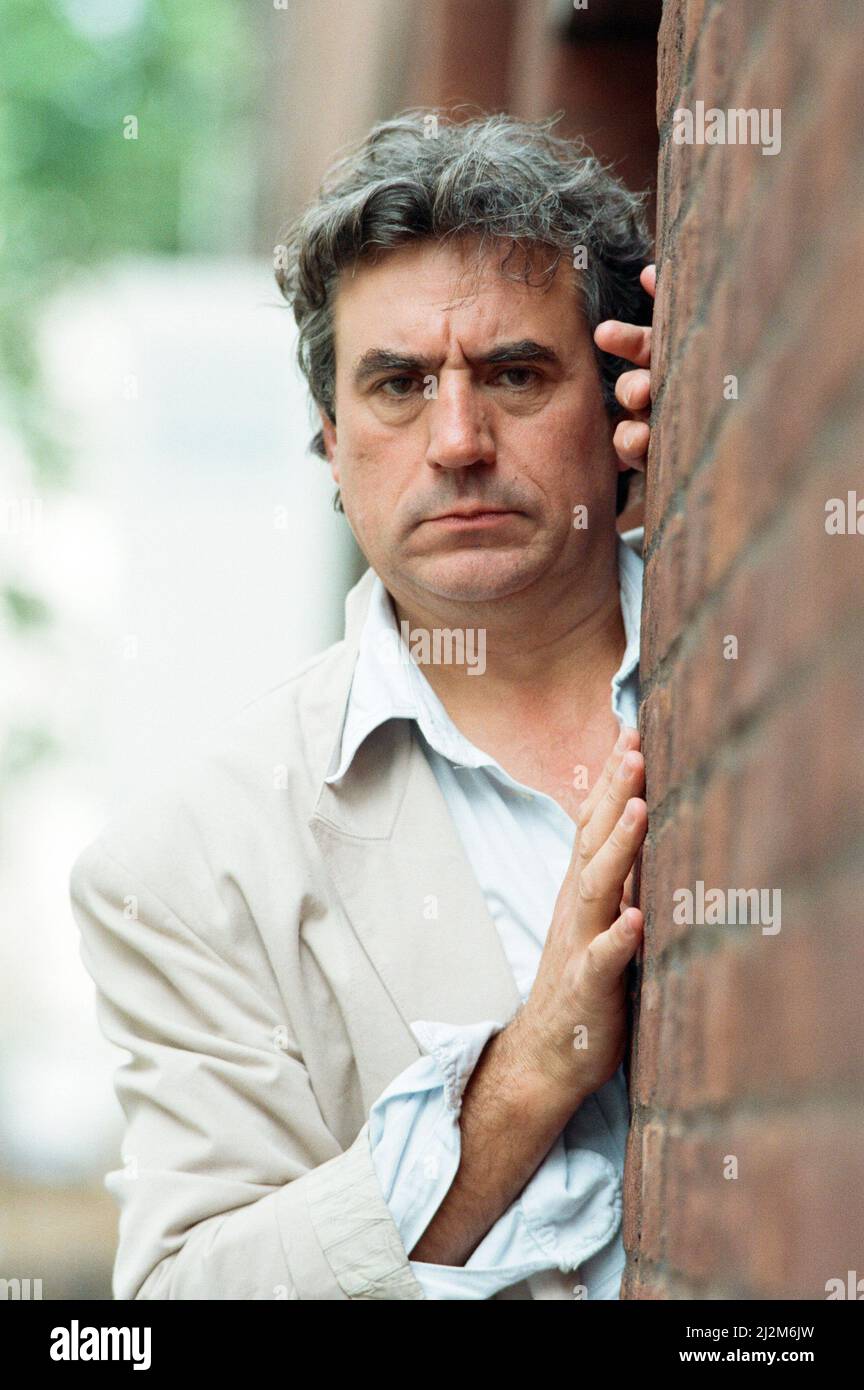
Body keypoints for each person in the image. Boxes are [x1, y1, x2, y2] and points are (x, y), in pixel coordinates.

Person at [70, 110, 656, 1300]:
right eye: (398, 386)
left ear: (623, 404)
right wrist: (527, 1074)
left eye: (514, 373)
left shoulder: (784, 659)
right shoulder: (187, 869)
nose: (457, 440)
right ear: (333, 450)